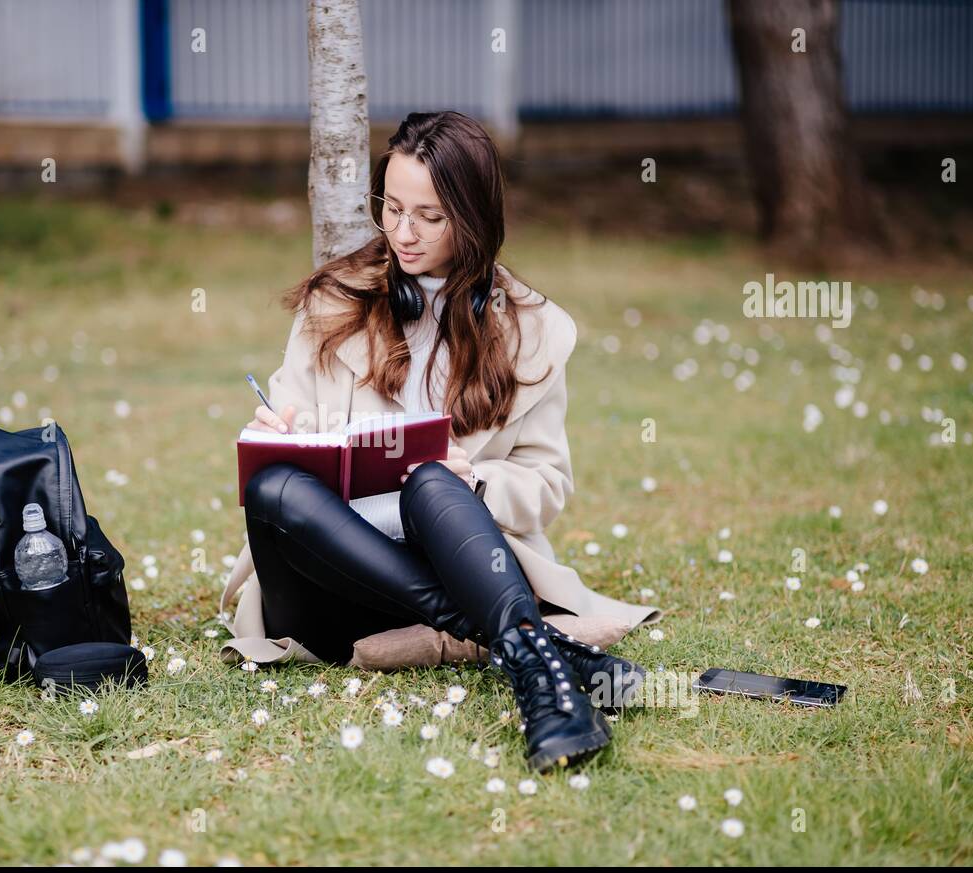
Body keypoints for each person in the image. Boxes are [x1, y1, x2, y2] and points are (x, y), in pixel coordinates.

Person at [218, 111, 660, 771]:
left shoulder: (530, 331)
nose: (402, 232)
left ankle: (540, 684)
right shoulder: (335, 301)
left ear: (473, 218)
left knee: (432, 480)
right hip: (324, 584)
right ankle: (531, 647)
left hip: (451, 558)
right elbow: (285, 409)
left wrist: (472, 480)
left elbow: (546, 485)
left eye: (429, 216)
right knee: (273, 489)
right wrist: (276, 433)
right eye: (391, 208)